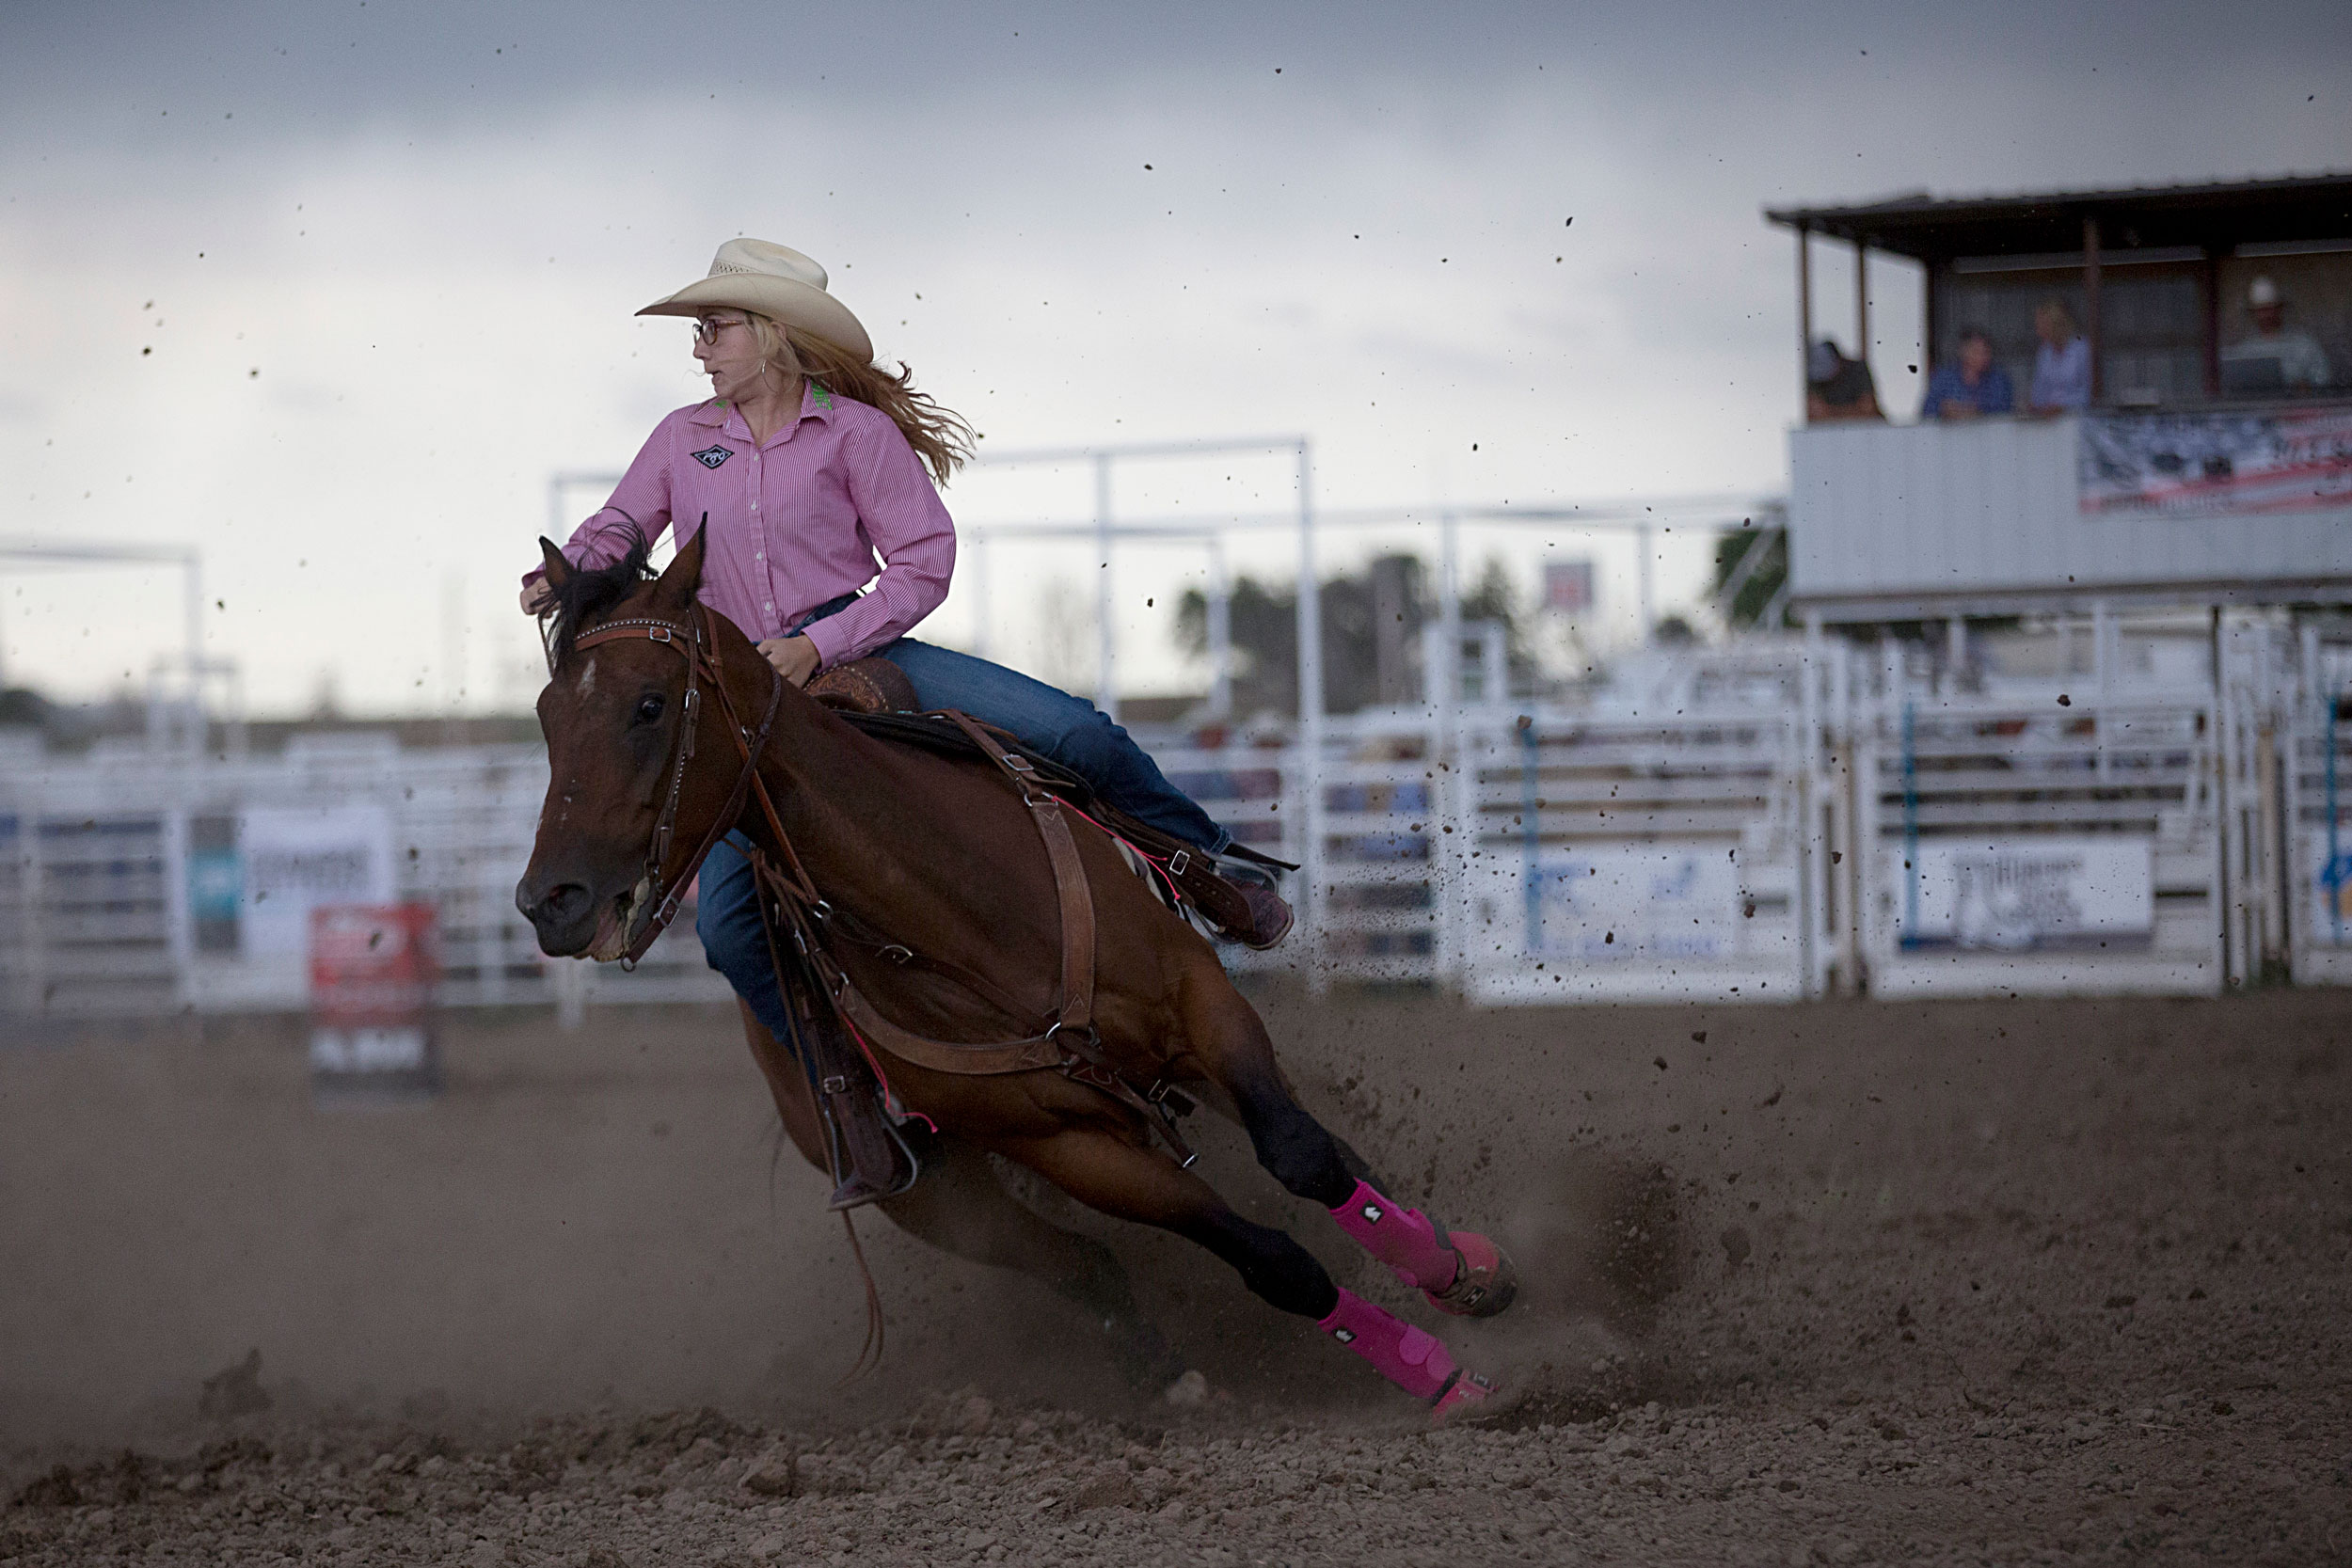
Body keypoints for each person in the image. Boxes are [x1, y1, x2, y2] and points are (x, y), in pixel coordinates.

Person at [519, 240, 1295, 1029]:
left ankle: (1210, 871)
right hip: (732, 686)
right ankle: (848, 1098)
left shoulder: (854, 434)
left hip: (858, 647)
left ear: (772, 333)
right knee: (728, 931)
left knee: (1076, 733)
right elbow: (621, 524)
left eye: (715, 328)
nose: (699, 347)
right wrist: (567, 571)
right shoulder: (682, 437)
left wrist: (820, 644)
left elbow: (924, 560)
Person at [2220, 275, 2331, 394]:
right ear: (2252, 313)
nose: (2265, 315)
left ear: (2279, 308)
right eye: (2260, 310)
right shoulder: (2244, 350)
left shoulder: (2304, 345)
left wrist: (2305, 387)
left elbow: (2324, 382)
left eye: (2269, 309)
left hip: (2297, 409)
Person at [1920, 328, 2015, 420]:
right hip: (1950, 435)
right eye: (1976, 351)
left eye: (1985, 352)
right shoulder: (1944, 378)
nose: (1982, 357)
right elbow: (1927, 412)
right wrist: (1944, 411)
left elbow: (2005, 413)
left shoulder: (1999, 380)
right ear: (1963, 352)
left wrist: (1976, 412)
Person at [2026, 299, 2090, 414]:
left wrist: (2063, 405)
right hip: (2049, 422)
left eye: (2043, 326)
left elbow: (2089, 392)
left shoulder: (2081, 347)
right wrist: (2035, 405)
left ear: (2057, 325)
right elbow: (2038, 390)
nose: (2039, 332)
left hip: (2077, 419)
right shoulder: (2045, 352)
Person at [1804, 339, 1882, 422]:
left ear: (1839, 360)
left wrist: (1831, 413)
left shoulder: (1857, 369)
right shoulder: (1814, 377)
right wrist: (1852, 411)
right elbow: (1815, 412)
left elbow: (1868, 408)